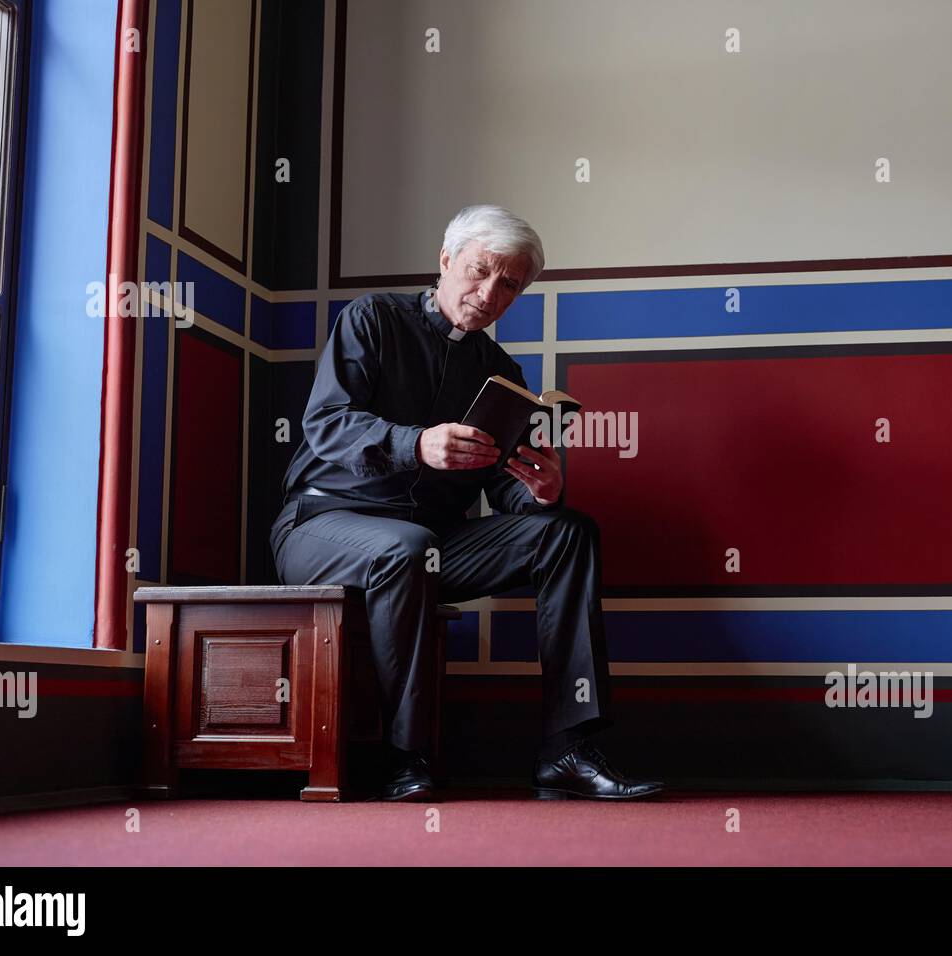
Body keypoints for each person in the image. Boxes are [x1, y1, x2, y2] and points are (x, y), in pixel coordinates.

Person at [270, 204, 663, 802]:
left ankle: (567, 750)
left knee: (567, 531)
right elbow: (326, 423)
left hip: (430, 543)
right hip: (321, 524)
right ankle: (405, 757)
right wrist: (415, 444)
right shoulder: (372, 318)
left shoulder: (498, 369)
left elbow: (498, 485)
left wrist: (539, 491)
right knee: (407, 547)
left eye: (510, 284)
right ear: (445, 259)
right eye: (479, 271)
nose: (489, 293)